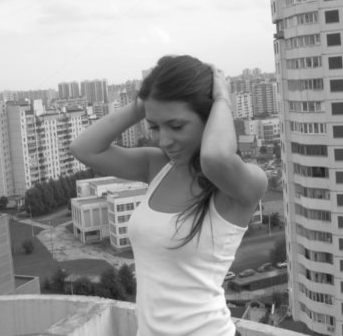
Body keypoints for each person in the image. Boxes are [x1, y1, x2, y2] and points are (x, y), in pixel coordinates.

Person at [70, 55, 268, 336]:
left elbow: (215, 158)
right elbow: (84, 148)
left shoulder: (243, 185)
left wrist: (223, 98)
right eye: (154, 126)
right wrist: (147, 101)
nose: (163, 140)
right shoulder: (158, 166)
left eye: (176, 126)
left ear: (209, 117)